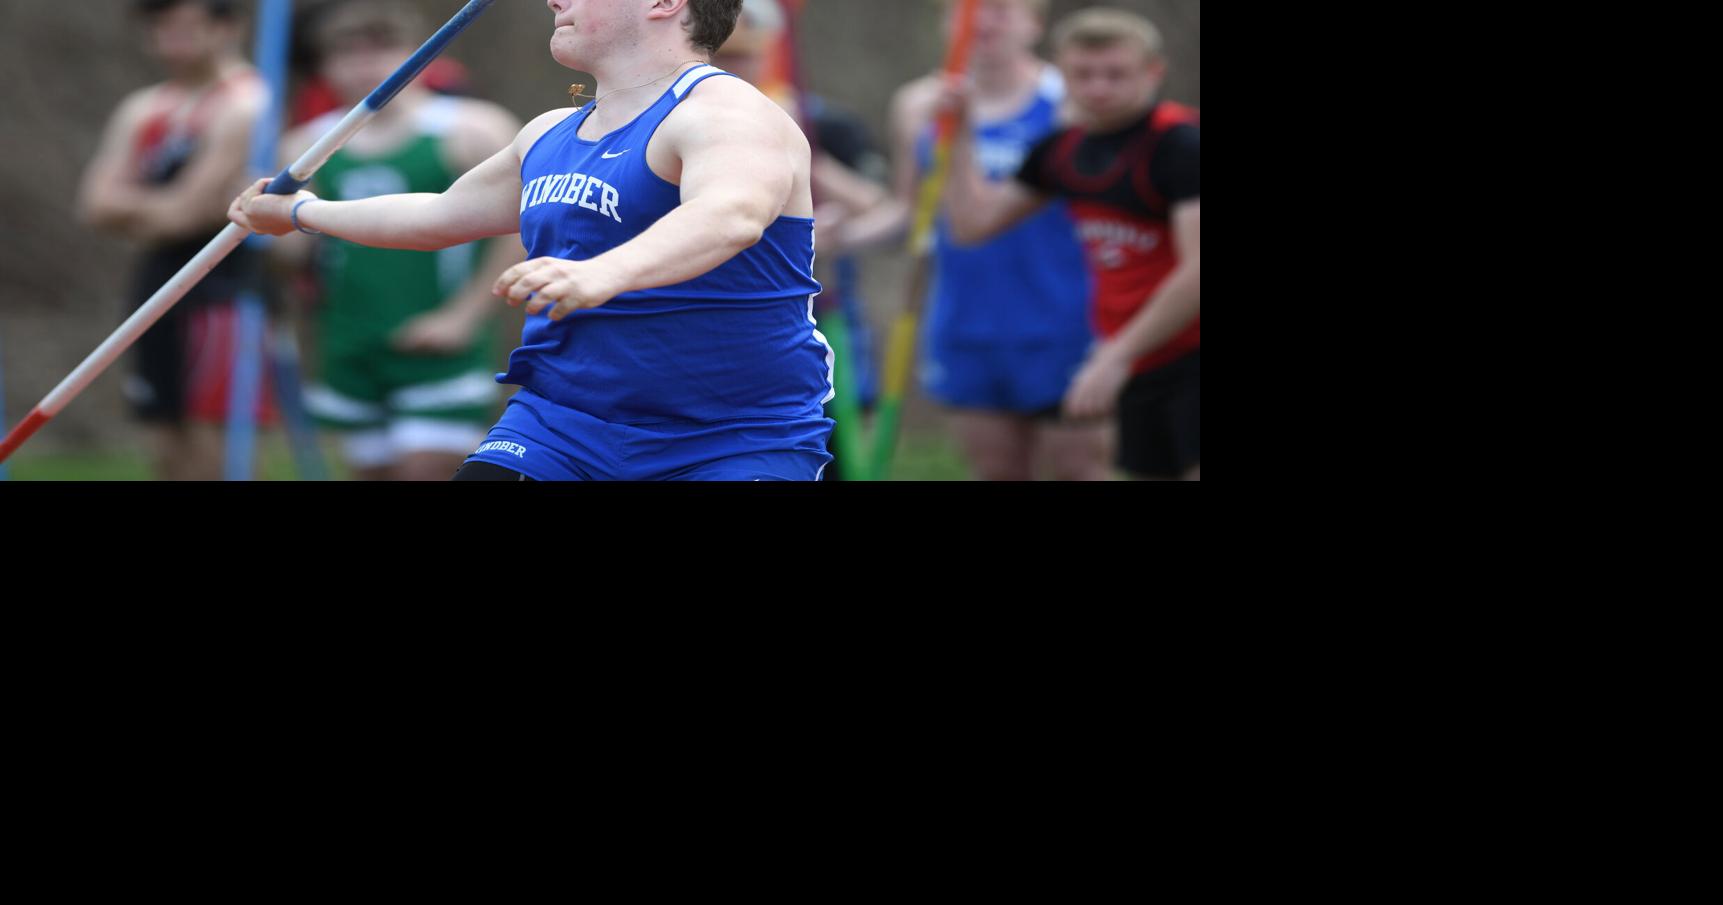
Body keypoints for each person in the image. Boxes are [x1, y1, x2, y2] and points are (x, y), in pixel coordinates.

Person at [230, 0, 833, 482]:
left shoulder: (727, 113)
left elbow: (730, 215)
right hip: (564, 424)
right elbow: (440, 215)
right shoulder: (549, 132)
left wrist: (600, 274)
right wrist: (303, 211)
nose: (555, 0)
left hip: (729, 437)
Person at [834, 0, 1104, 482]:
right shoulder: (919, 104)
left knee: (1077, 468)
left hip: (1064, 316)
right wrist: (837, 236)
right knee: (995, 470)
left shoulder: (1069, 100)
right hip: (966, 320)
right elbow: (909, 211)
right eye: (963, 11)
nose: (981, 21)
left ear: (1034, 24)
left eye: (1000, 9)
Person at [944, 7, 1200, 482]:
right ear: (1061, 73)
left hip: (1178, 350)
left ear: (1153, 73)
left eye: (1116, 74)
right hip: (1144, 355)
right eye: (1083, 74)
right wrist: (960, 133)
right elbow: (971, 226)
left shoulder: (1181, 145)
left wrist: (1115, 355)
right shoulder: (1062, 150)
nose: (1099, 88)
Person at [276, 0, 524, 481]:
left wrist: (464, 315)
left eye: (381, 49)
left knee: (426, 471)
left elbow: (521, 226)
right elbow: (296, 256)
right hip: (350, 338)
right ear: (325, 65)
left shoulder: (472, 129)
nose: (363, 65)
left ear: (417, 56)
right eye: (346, 53)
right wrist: (264, 219)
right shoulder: (306, 148)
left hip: (438, 342)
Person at [77, 0, 271, 481]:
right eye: (161, 28)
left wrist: (136, 205)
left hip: (222, 291)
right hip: (154, 282)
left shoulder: (247, 102)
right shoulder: (144, 108)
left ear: (227, 27)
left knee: (213, 449)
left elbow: (183, 214)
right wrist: (160, 211)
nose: (172, 41)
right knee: (164, 444)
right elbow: (93, 204)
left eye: (187, 27)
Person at [712, 0, 889, 480]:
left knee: (840, 441)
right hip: (723, 316)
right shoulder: (682, 121)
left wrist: (797, 145)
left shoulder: (823, 121)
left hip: (821, 307)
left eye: (745, 55)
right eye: (722, 57)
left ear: (769, 51)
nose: (733, 68)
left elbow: (876, 204)